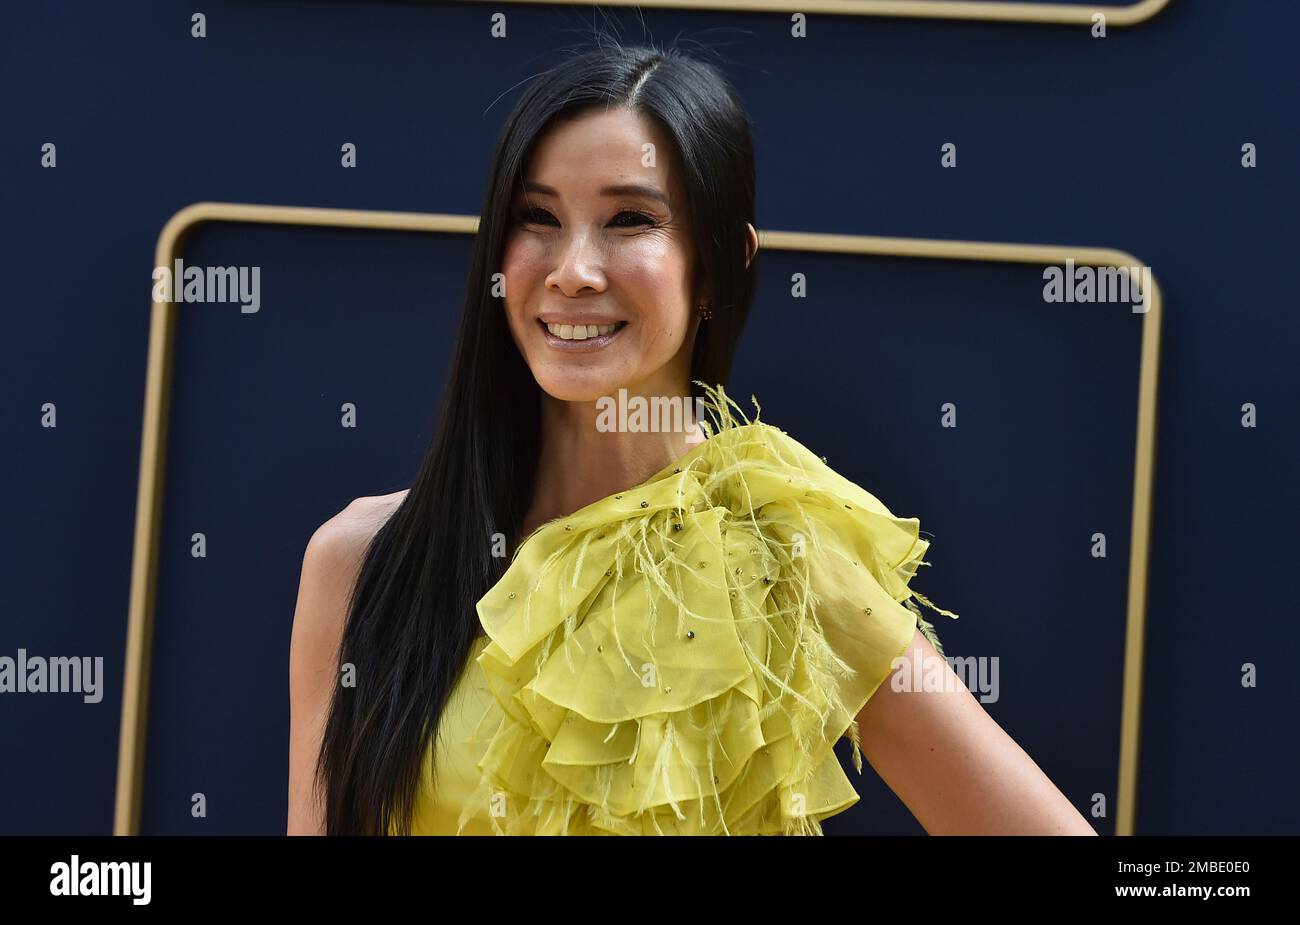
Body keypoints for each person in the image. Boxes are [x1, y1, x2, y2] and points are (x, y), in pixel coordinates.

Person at [287, 39, 1097, 836]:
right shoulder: (362, 560)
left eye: (628, 219)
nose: (572, 268)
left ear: (718, 266)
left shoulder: (788, 554)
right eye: (537, 218)